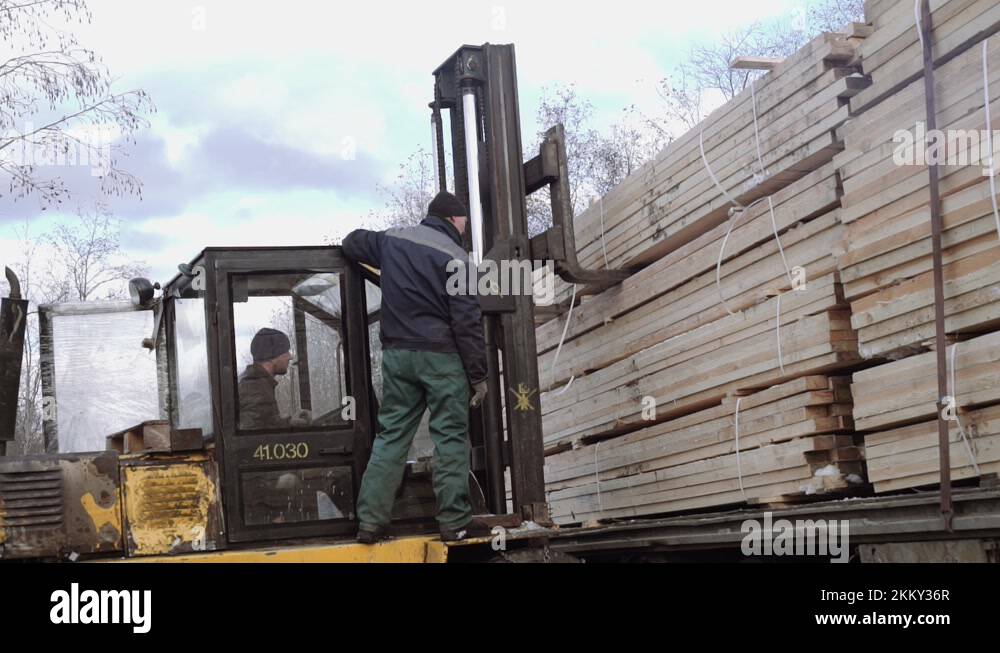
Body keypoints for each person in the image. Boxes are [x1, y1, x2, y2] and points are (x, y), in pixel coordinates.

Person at [342, 191, 490, 543]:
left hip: (397, 356)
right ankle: (454, 523)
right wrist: (479, 375)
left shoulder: (393, 239)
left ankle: (371, 522)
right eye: (465, 222)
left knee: (392, 436)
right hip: (441, 358)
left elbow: (350, 242)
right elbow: (467, 321)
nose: (465, 228)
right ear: (453, 219)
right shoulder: (457, 257)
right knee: (450, 438)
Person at [238, 328, 310, 430]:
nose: (290, 357)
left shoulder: (258, 383)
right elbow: (253, 439)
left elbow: (266, 425)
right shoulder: (254, 389)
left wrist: (290, 422)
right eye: (286, 352)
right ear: (273, 356)